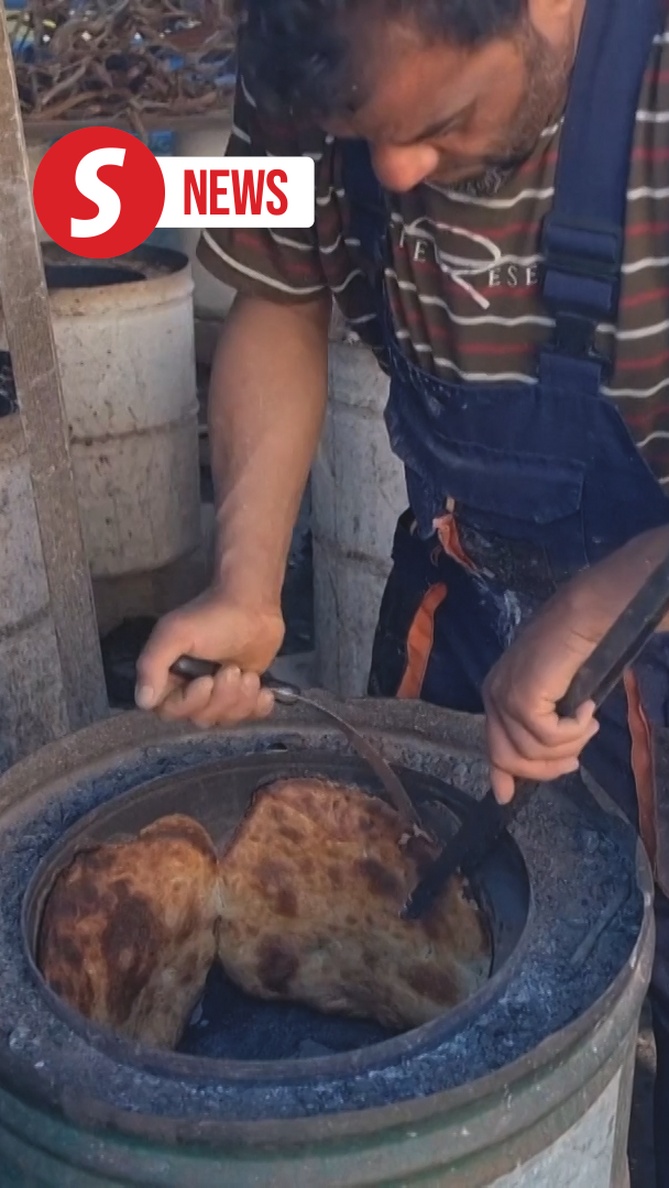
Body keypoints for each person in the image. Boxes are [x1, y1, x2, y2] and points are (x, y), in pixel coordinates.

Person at [135, 0, 669, 1178]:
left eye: (442, 122)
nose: (395, 170)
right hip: (462, 581)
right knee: (430, 903)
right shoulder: (302, 57)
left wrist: (600, 603)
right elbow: (277, 292)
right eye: (357, 136)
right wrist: (248, 574)